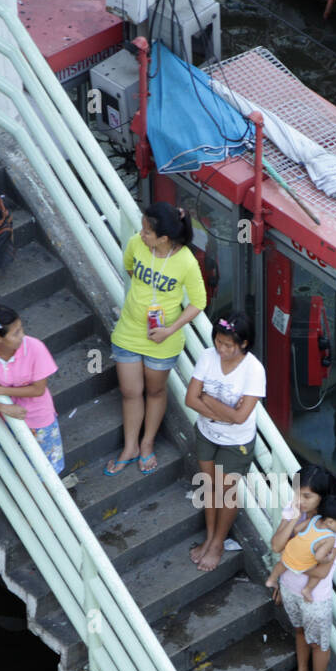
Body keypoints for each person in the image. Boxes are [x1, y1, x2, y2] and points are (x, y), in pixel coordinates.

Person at [106, 202, 207, 477]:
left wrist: (169, 329)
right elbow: (129, 268)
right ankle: (130, 447)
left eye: (148, 232)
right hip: (129, 331)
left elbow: (198, 302)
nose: (141, 235)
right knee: (130, 391)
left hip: (163, 339)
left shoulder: (185, 260)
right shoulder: (136, 245)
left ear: (164, 238)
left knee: (155, 391)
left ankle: (147, 442)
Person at [184, 313, 266, 572]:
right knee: (209, 486)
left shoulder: (253, 370)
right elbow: (189, 399)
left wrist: (207, 399)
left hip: (236, 442)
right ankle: (210, 537)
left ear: (243, 344)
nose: (222, 349)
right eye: (219, 342)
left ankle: (218, 543)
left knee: (226, 491)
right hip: (207, 433)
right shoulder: (208, 357)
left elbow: (241, 419)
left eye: (228, 345)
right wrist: (225, 414)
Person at [0, 304, 76, 485]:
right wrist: (3, 407)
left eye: (21, 329)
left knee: (46, 471)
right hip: (7, 422)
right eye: (15, 333)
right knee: (18, 469)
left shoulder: (35, 347)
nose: (22, 335)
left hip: (40, 418)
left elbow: (38, 389)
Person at [270, 465, 336, 671]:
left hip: (315, 596)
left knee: (318, 643)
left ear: (321, 498)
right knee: (300, 631)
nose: (299, 501)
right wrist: (293, 519)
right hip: (290, 588)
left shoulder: (332, 526)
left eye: (306, 496)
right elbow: (276, 546)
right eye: (296, 494)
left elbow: (323, 571)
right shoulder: (294, 511)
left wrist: (291, 564)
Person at [265, 495, 336, 601]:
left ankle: (272, 579)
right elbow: (319, 556)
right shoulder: (330, 538)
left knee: (282, 564)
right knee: (316, 574)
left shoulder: (313, 519)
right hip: (302, 562)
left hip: (290, 551)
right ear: (330, 522)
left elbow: (297, 530)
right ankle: (307, 589)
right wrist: (328, 559)